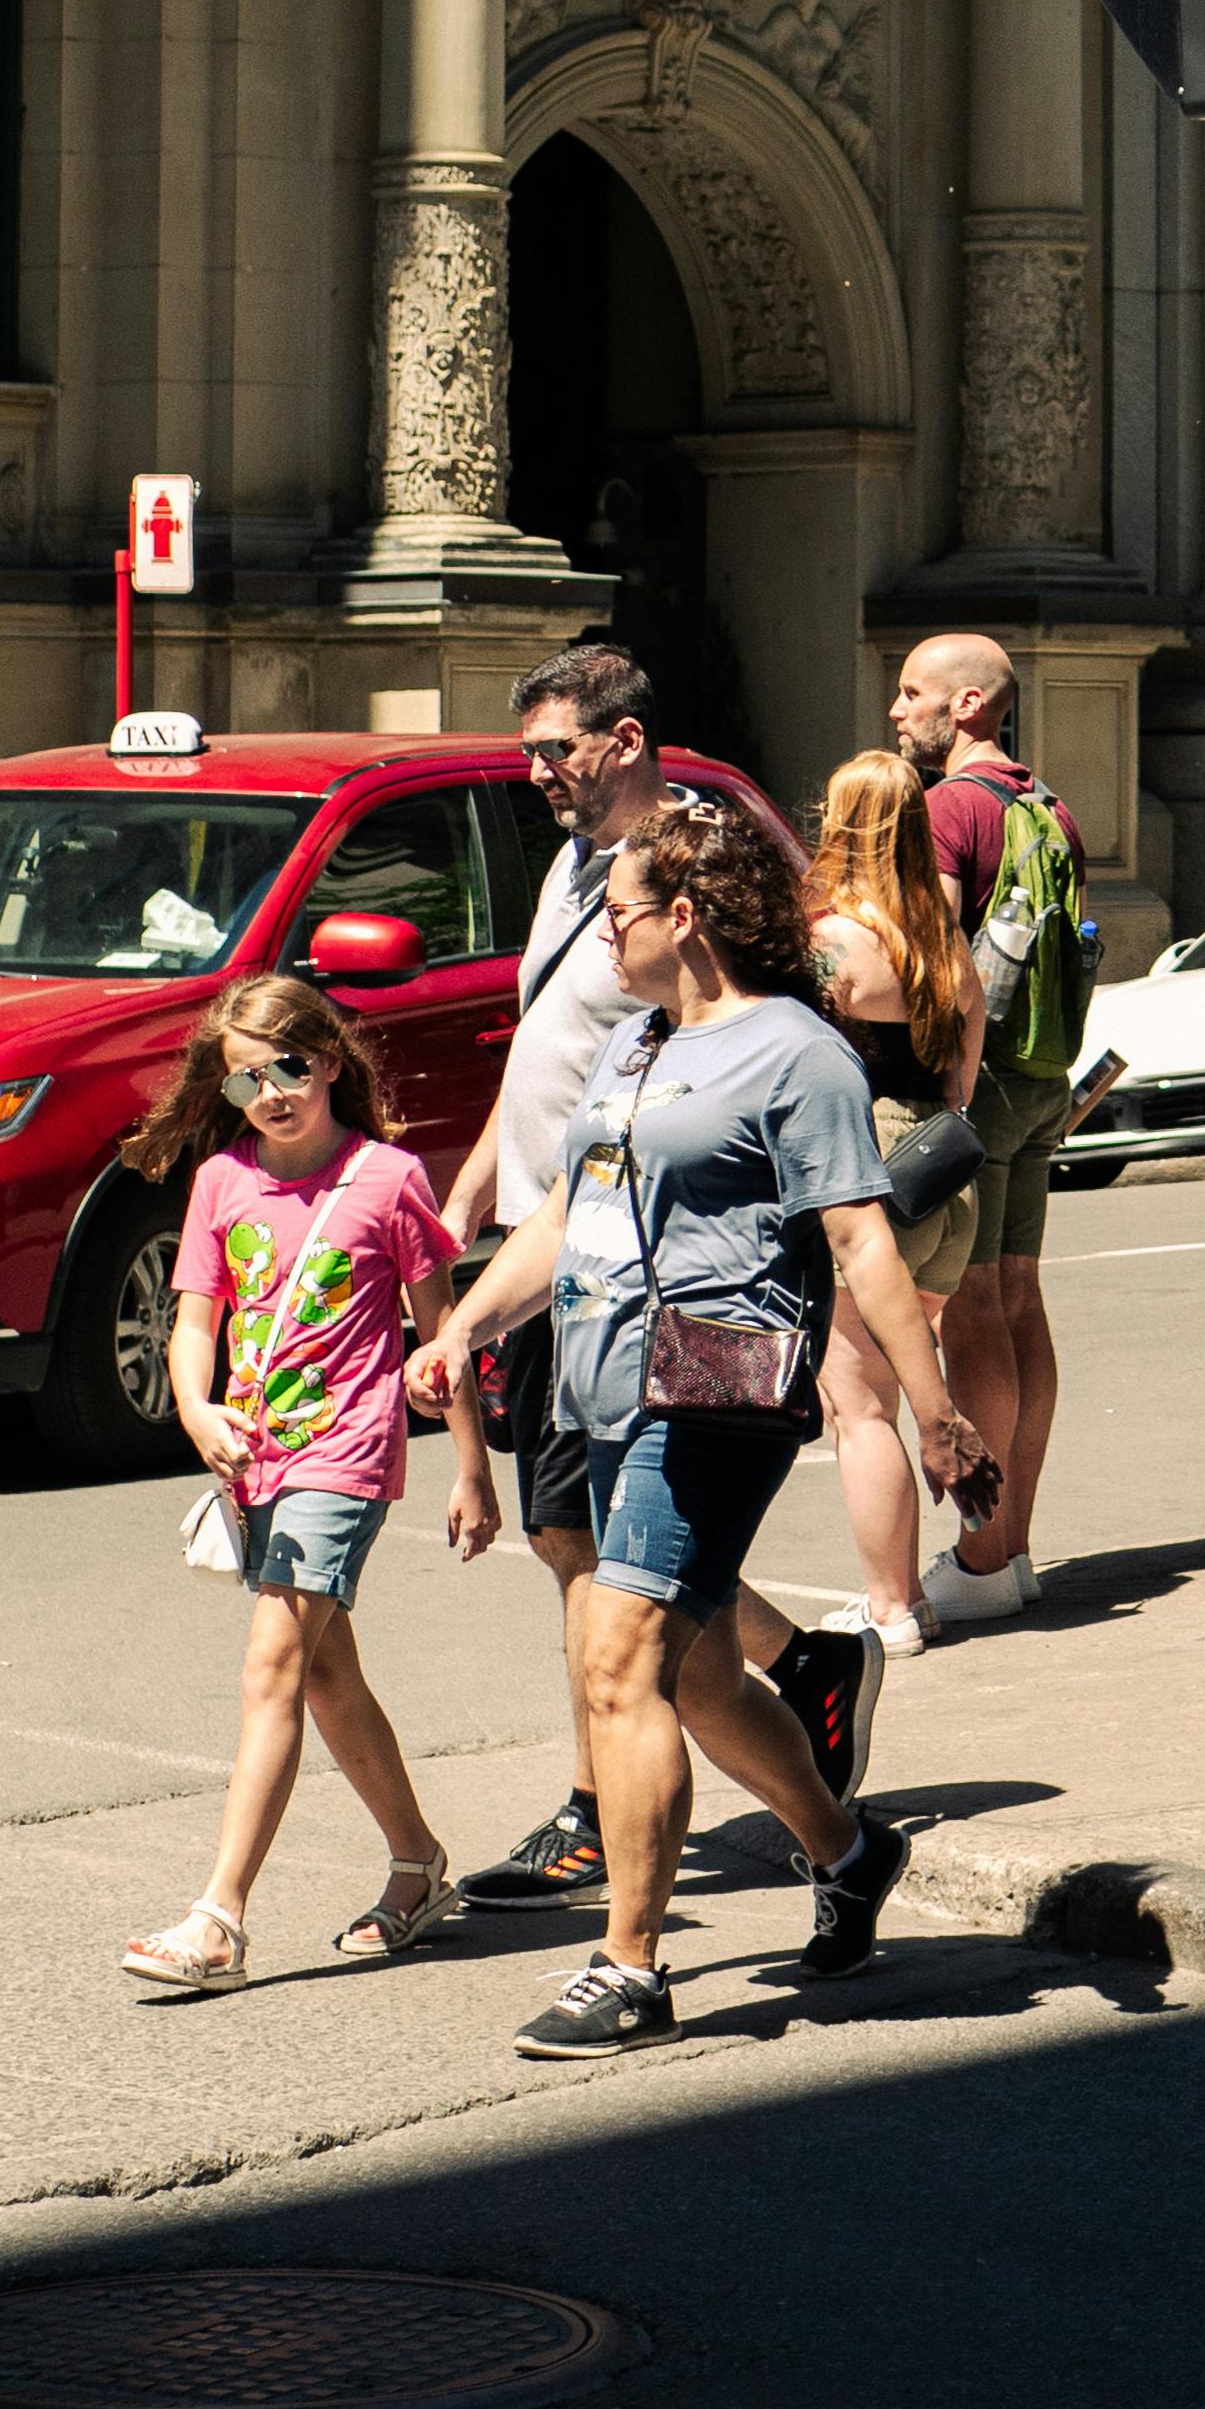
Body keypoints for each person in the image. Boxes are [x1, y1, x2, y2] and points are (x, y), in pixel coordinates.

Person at [411, 795, 981, 2057]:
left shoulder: (797, 1053)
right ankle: (849, 1846)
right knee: (707, 1675)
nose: (601, 938)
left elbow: (859, 1238)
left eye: (616, 914)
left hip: (717, 1385)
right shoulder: (638, 1044)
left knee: (617, 1660)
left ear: (687, 917)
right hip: (608, 1379)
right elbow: (561, 1211)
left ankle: (629, 1964)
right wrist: (465, 1327)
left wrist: (933, 1409)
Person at [449, 644, 876, 1917]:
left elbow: (787, 1008)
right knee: (577, 1537)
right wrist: (477, 1182)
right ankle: (802, 1669)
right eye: (528, 749)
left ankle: (601, 1814)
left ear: (625, 741)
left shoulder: (682, 869)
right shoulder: (579, 872)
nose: (535, 772)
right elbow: (552, 1057)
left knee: (594, 1555)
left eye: (555, 748)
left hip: (630, 1276)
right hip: (546, 1244)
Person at [114, 972, 495, 1995]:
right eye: (246, 1078)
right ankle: (416, 1862)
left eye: (290, 1066)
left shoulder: (388, 1177)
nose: (272, 1092)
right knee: (325, 1675)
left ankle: (219, 1918)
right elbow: (194, 1320)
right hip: (259, 1459)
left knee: (271, 1669)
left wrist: (470, 1465)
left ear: (328, 1059)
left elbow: (438, 1330)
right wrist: (196, 1410)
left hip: (349, 1453)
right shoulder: (223, 1181)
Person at [891, 631, 1090, 1626]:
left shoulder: (950, 808)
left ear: (968, 703)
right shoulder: (1045, 807)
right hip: (1045, 1073)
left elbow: (941, 959)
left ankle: (976, 1559)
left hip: (980, 1084)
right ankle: (1013, 1551)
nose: (897, 710)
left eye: (911, 692)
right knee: (1016, 1295)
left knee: (969, 1305)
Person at [800, 752, 984, 1656]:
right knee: (910, 1387)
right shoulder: (946, 944)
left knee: (859, 1404)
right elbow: (963, 1079)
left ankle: (887, 1609)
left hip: (874, 1171)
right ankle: (911, 1589)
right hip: (947, 1178)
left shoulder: (836, 941)